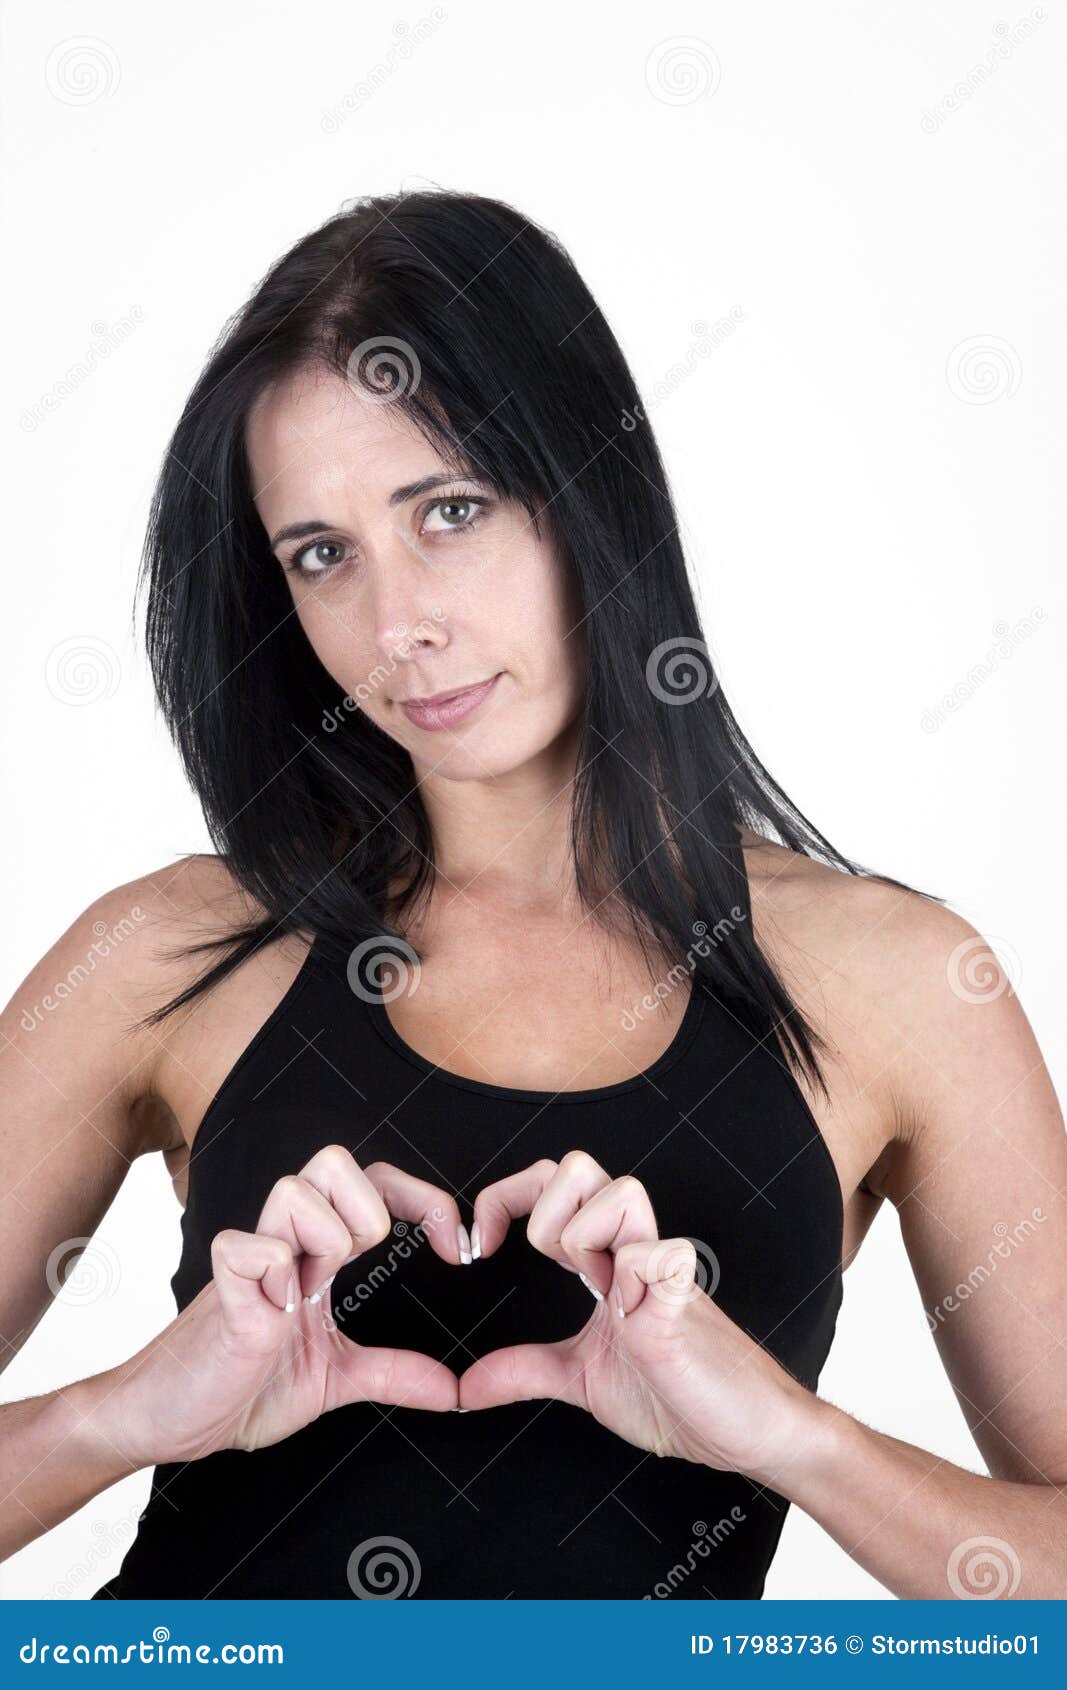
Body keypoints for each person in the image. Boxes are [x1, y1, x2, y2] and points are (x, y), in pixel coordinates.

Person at [2, 191, 1064, 1600]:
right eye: (323, 553)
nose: (398, 625)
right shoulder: (166, 953)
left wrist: (794, 1439)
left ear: (592, 495)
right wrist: (120, 1411)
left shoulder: (900, 982)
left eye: (450, 511)